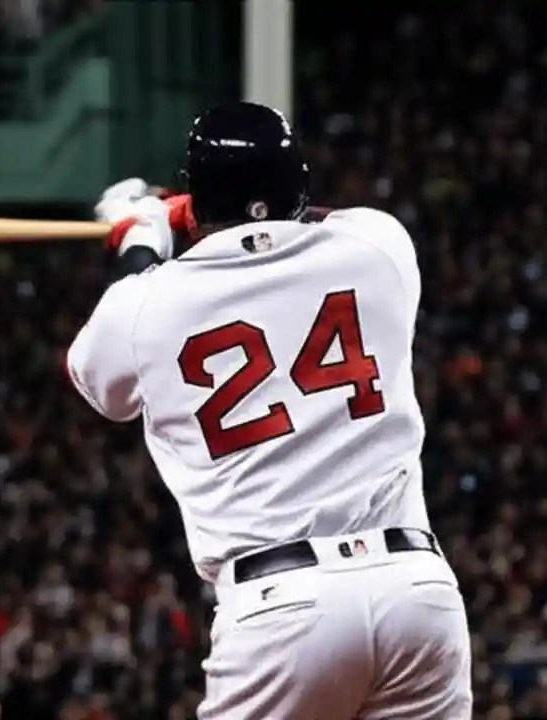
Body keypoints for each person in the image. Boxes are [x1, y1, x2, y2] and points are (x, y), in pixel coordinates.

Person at [66, 101, 472, 719]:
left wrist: (144, 238)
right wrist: (187, 215)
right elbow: (311, 221)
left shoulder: (146, 304)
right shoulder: (378, 245)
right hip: (416, 591)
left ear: (199, 201)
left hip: (281, 607)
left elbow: (97, 382)